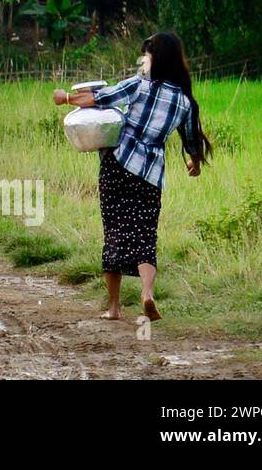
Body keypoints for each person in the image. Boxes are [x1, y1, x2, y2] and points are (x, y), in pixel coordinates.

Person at [53, 31, 212, 323]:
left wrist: (65, 98)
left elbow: (100, 98)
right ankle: (147, 294)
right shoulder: (185, 102)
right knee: (145, 236)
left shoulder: (139, 86)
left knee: (113, 231)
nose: (144, 59)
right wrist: (195, 162)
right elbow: (191, 139)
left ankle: (114, 308)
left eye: (148, 54)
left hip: (118, 165)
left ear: (156, 58)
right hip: (150, 176)